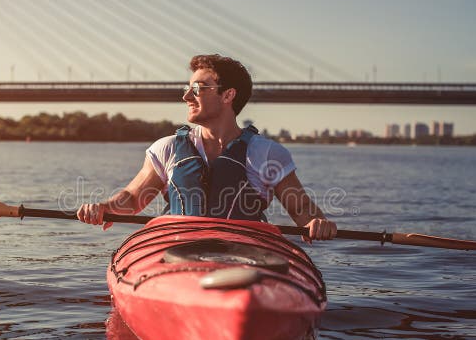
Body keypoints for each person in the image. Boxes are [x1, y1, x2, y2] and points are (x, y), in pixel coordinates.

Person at [77, 54, 337, 241]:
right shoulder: (166, 148)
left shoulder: (267, 154)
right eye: (187, 89)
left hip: (244, 256)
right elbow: (133, 199)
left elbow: (301, 208)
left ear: (228, 95)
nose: (186, 96)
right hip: (176, 253)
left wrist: (316, 223)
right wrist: (104, 208)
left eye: (198, 89)